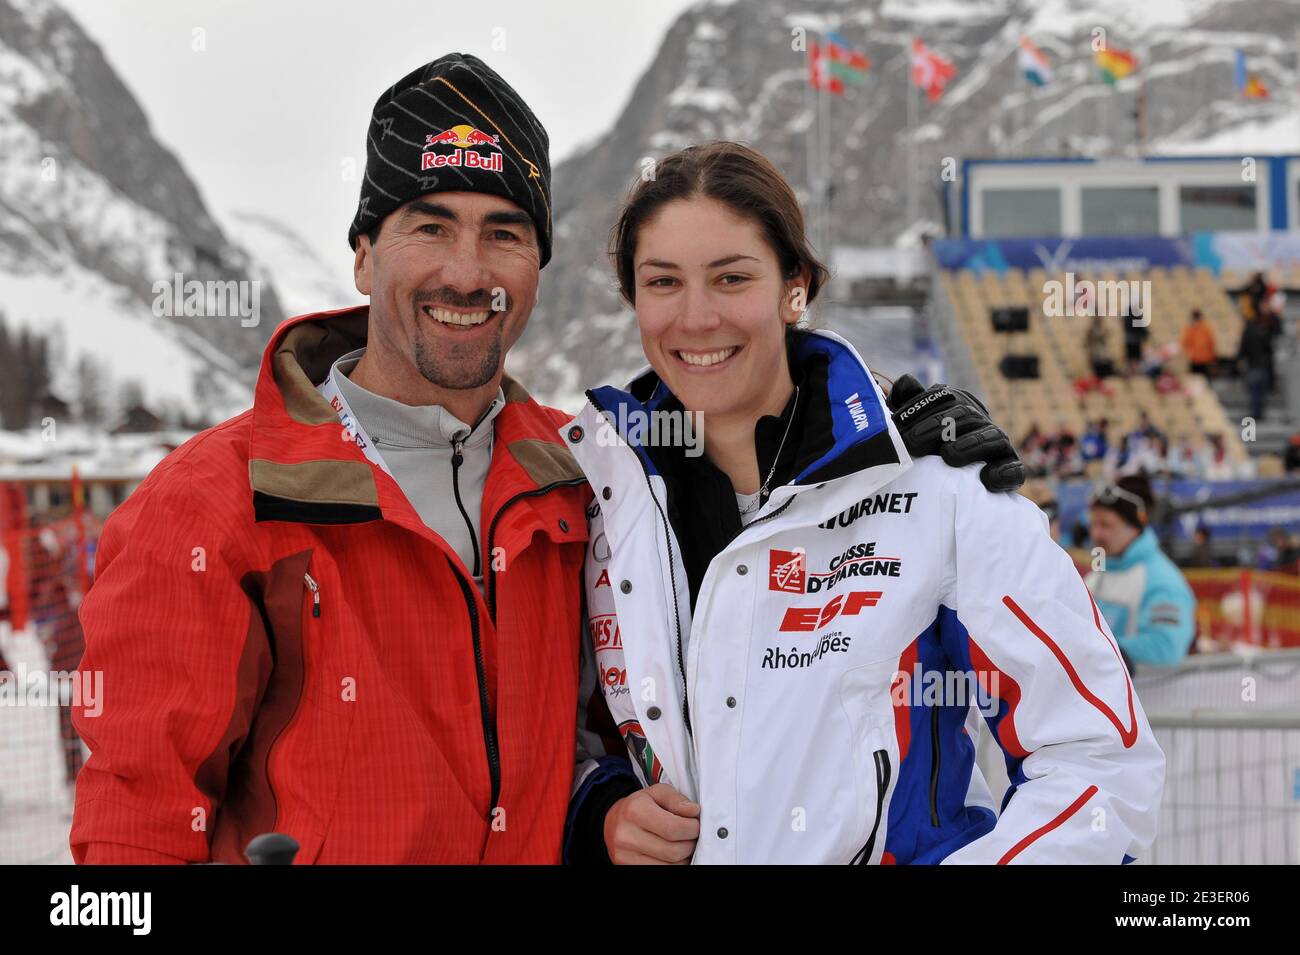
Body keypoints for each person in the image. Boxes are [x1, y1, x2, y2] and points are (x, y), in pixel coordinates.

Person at [70, 57, 1022, 865]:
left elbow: (630, 715)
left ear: (537, 266)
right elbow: (132, 827)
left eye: (504, 233)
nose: (466, 270)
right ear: (364, 254)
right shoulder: (213, 504)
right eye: (428, 225)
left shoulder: (590, 476)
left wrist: (882, 434)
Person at [564, 142, 1163, 865]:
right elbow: (549, 741)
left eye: (731, 278)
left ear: (796, 287)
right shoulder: (590, 493)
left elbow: (1101, 759)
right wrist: (600, 807)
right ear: (631, 296)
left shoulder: (935, 488)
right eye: (663, 282)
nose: (696, 318)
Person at [1084, 475, 1196, 667]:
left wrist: (1093, 653)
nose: (1096, 534)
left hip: (1145, 695)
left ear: (1134, 528)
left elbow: (1166, 647)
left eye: (1106, 525)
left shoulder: (1162, 580)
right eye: (1093, 524)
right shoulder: (1098, 573)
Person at [1237, 310, 1273, 423]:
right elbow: (1269, 350)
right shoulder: (1265, 331)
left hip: (1253, 366)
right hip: (1264, 366)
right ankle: (1260, 413)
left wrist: (1240, 360)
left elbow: (1243, 349)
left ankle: (1255, 413)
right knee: (1261, 392)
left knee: (1254, 392)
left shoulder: (1247, 332)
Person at [1180, 309, 1216, 379]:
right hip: (1195, 359)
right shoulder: (1190, 329)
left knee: (1204, 379)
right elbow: (1184, 343)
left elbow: (1211, 343)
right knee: (1197, 379)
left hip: (1205, 359)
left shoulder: (1205, 328)